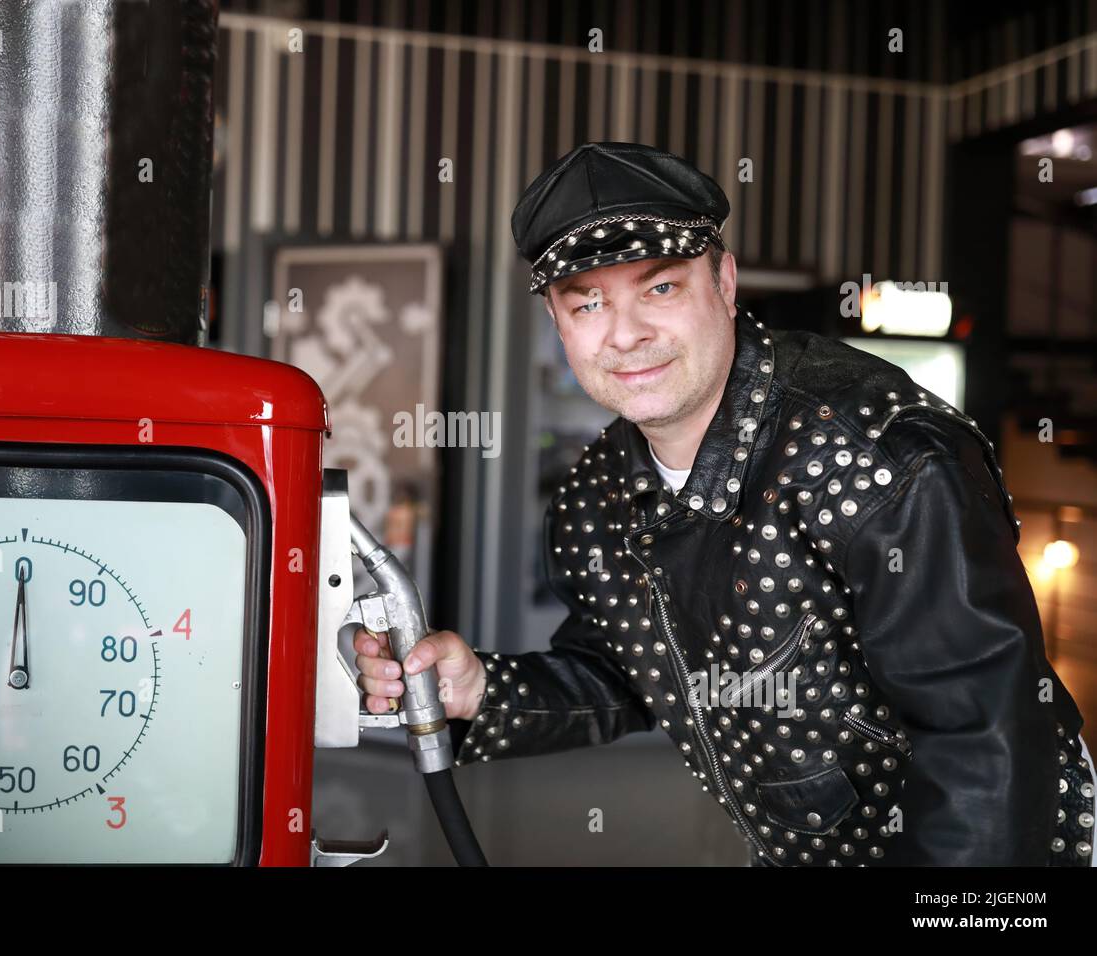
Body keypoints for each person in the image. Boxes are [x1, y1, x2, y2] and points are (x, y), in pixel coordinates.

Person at [353, 142, 1095, 867]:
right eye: (588, 304)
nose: (627, 333)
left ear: (726, 283)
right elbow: (626, 670)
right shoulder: (595, 495)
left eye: (661, 288)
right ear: (558, 324)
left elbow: (985, 744)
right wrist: (483, 689)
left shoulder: (880, 460)